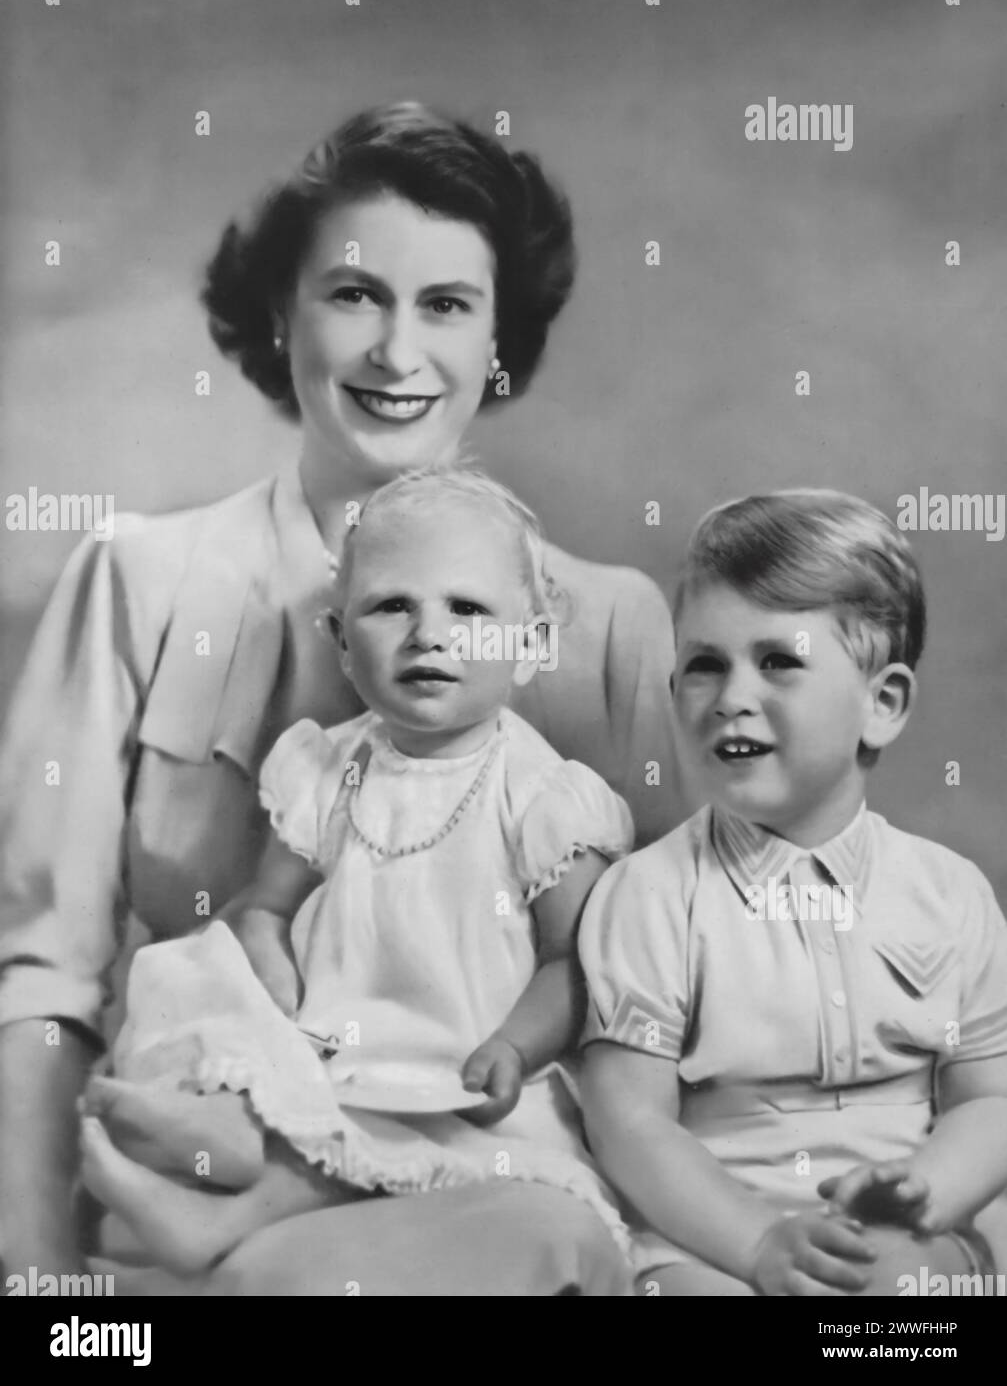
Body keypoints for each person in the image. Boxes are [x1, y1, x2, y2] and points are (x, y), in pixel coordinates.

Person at [0, 101, 681, 1294]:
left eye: (446, 305)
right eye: (354, 294)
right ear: (280, 313)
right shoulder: (136, 581)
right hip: (188, 1173)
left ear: (497, 342)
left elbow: (662, 1000)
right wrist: (41, 1286)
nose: (394, 352)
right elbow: (38, 978)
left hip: (477, 1179)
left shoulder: (608, 624)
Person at [80, 469, 634, 1275]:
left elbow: (570, 962)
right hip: (335, 1051)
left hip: (465, 1079)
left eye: (468, 609)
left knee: (390, 1152)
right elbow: (266, 907)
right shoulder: (324, 767)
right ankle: (222, 1130)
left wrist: (513, 1047)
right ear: (341, 640)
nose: (428, 634)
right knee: (189, 962)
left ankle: (219, 1212)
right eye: (390, 606)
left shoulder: (547, 796)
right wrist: (268, 974)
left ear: (533, 645)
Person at [579, 490, 1007, 1295]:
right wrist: (756, 1245)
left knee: (907, 1302)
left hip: (898, 1232)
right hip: (710, 1237)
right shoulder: (649, 894)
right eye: (704, 664)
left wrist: (926, 1194)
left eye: (777, 661)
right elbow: (627, 1121)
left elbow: (990, 1101)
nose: (731, 695)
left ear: (880, 706)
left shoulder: (947, 894)